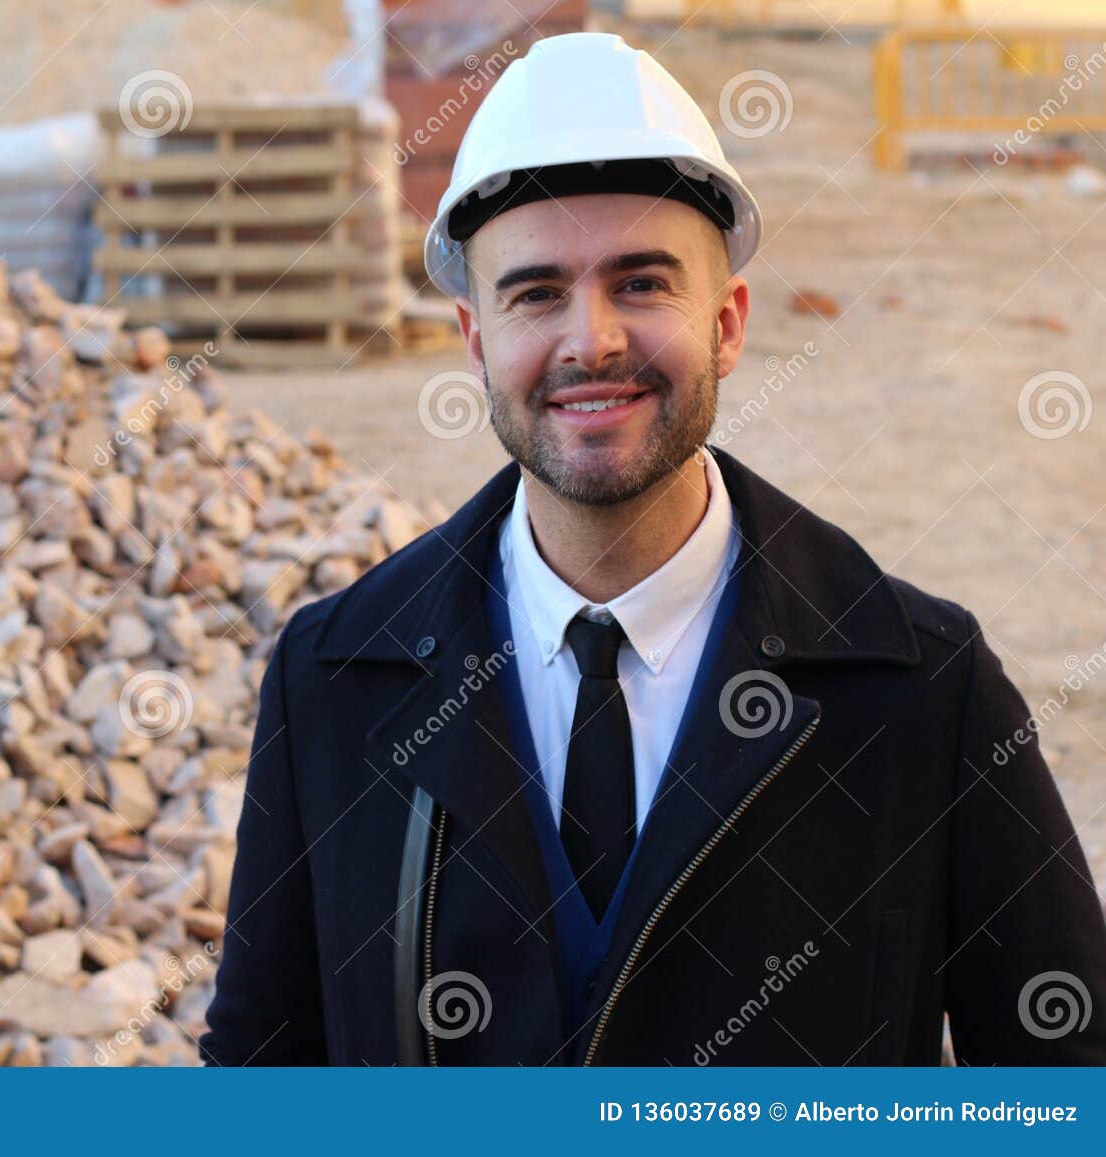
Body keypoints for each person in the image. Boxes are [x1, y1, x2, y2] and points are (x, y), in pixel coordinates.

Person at [198, 31, 1106, 1066]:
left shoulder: (920, 685)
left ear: (726, 324)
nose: (590, 339)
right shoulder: (335, 682)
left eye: (640, 282)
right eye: (535, 292)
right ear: (474, 339)